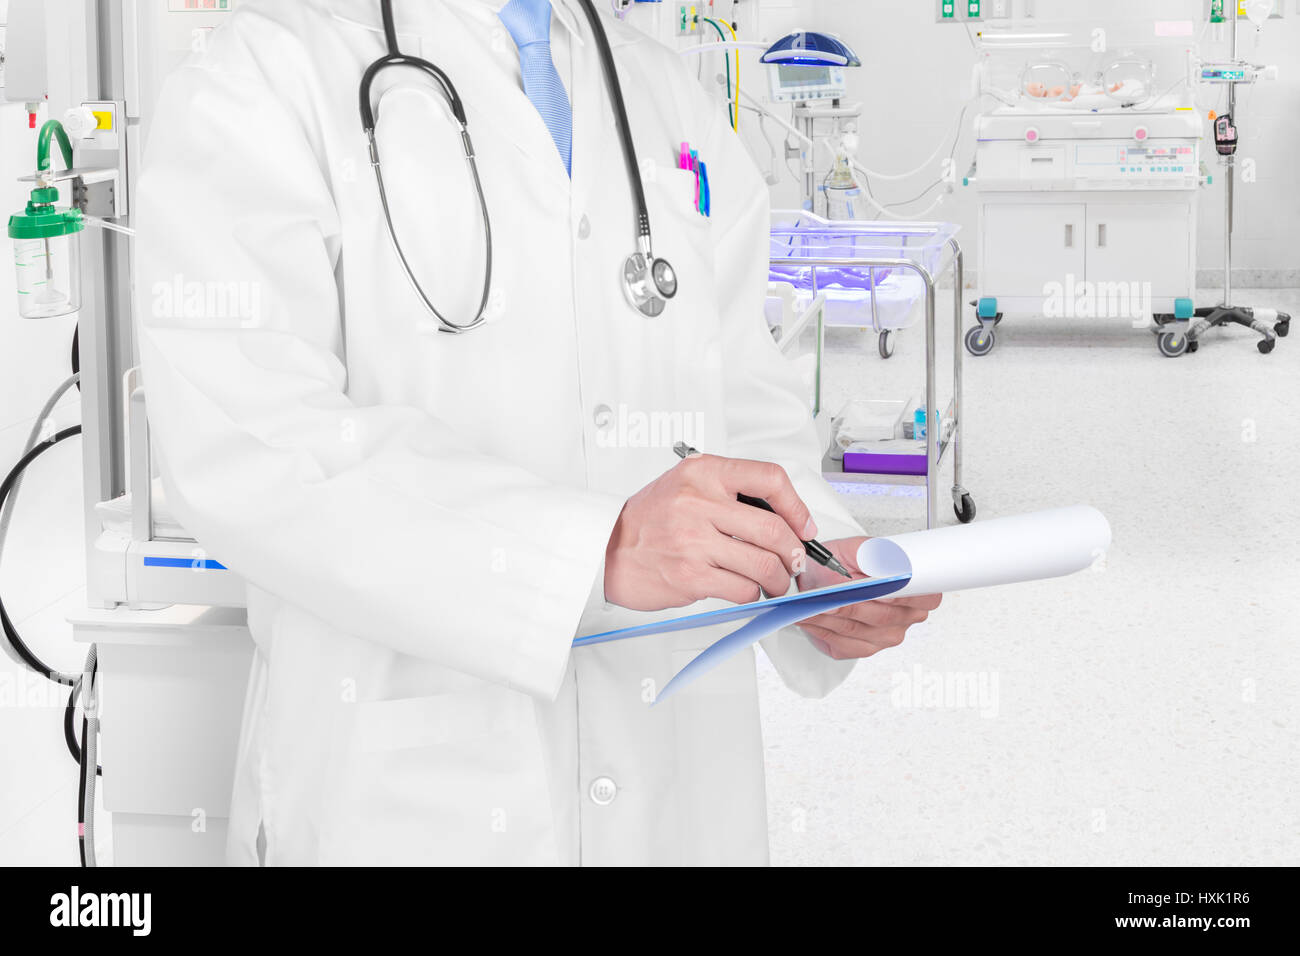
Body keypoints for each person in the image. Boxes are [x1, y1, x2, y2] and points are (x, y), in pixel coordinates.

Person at [135, 0, 940, 866]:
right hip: (415, 794)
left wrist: (815, 562)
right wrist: (593, 552)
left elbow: (744, 392)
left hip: (676, 777)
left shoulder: (657, 89)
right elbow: (252, 441)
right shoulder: (266, 70)